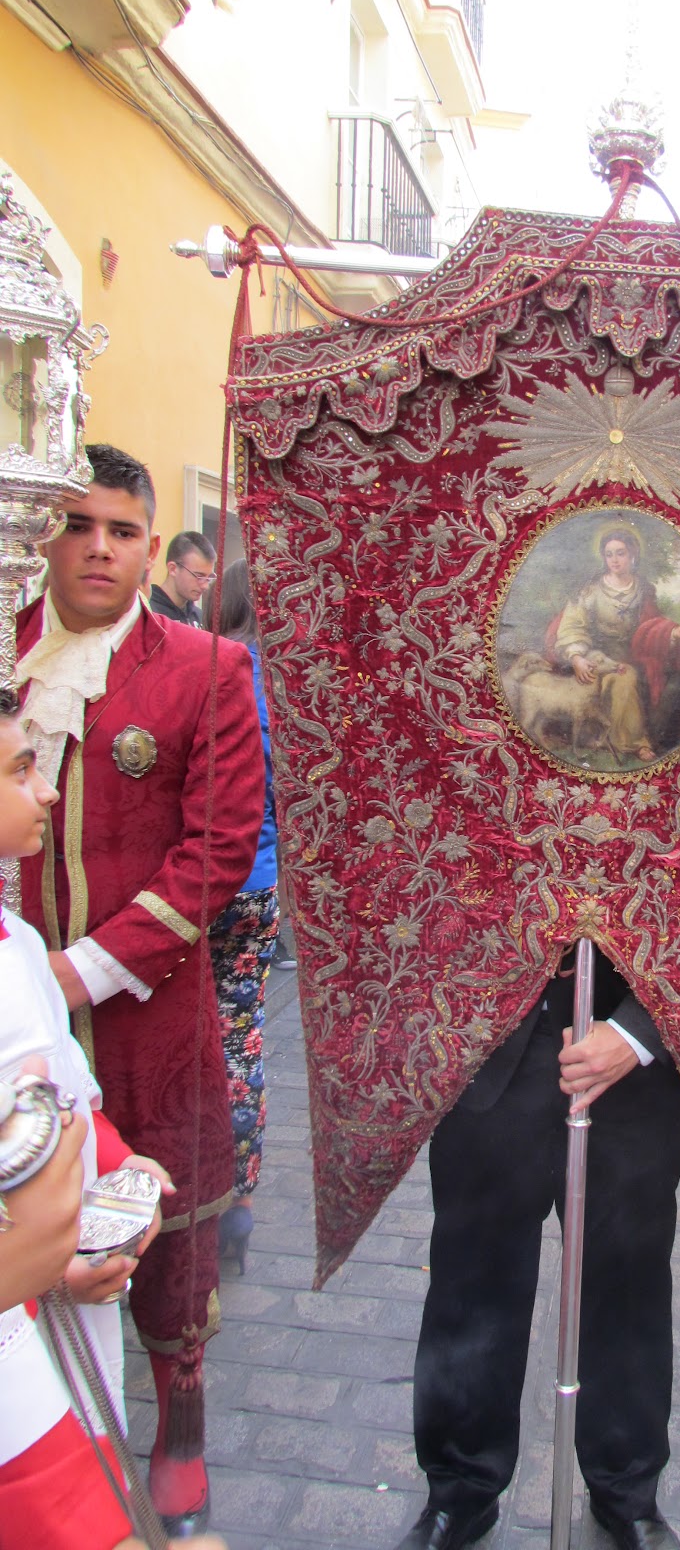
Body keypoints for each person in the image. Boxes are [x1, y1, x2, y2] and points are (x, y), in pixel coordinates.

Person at [13, 443, 264, 1535]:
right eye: (78, 525)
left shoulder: (206, 664)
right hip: (9, 1015)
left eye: (121, 531)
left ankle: (180, 1422)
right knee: (18, 1208)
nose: (99, 548)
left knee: (162, 1219)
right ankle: (40, 1429)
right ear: (45, 536)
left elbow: (217, 850)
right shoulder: (8, 647)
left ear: (152, 546)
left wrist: (74, 971)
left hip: (149, 1010)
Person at [396, 949, 680, 1550]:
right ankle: (460, 1489)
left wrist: (640, 1032)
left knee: (628, 1283)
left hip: (629, 1063)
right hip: (491, 1045)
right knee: (471, 1276)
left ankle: (626, 1490)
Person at [0, 689, 202, 1550]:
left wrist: (119, 1163)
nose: (47, 789)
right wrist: (45, 1275)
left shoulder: (17, 945)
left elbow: (72, 1093)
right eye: (20, 770)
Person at [203, 559, 279, 1272]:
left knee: (179, 1040)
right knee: (240, 1037)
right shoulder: (284, 683)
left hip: (194, 882)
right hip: (258, 883)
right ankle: (239, 1205)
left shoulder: (207, 671)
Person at [551, 528, 680, 764]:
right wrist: (577, 657)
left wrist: (673, 632)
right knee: (625, 677)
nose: (614, 560)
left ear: (632, 554)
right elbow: (572, 625)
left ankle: (657, 737)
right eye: (609, 554)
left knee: (665, 679)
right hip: (597, 657)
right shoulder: (590, 590)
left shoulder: (643, 589)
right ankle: (635, 744)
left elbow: (652, 626)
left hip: (636, 653)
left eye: (620, 553)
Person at [149, 531, 215, 629]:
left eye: (208, 578)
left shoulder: (201, 618)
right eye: (199, 576)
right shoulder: (148, 613)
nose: (205, 586)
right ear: (173, 569)